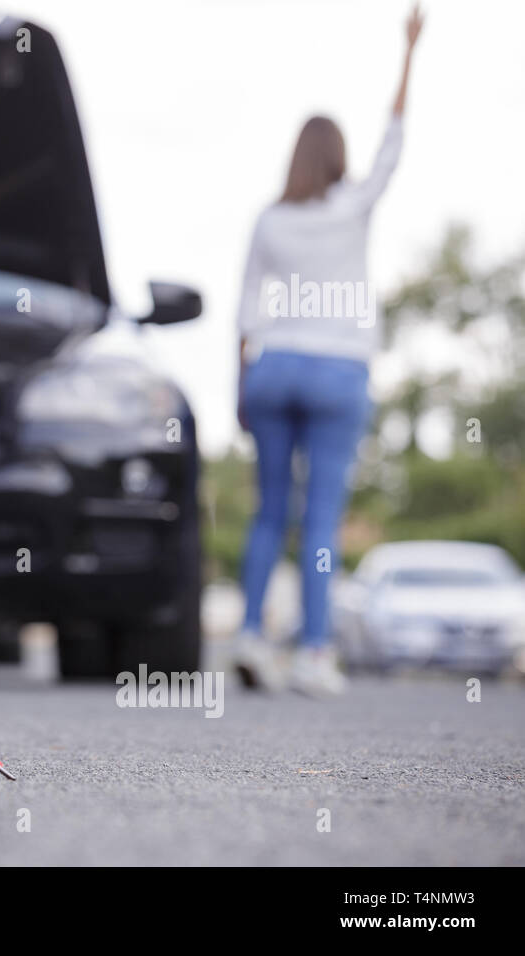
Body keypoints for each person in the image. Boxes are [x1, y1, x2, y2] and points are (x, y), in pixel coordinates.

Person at [232, 5, 424, 696]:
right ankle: (315, 652)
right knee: (319, 518)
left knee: (268, 512)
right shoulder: (353, 207)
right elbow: (394, 142)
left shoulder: (270, 217)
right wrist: (409, 50)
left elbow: (245, 313)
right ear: (337, 158)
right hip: (338, 374)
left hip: (272, 371)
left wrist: (239, 391)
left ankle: (252, 634)